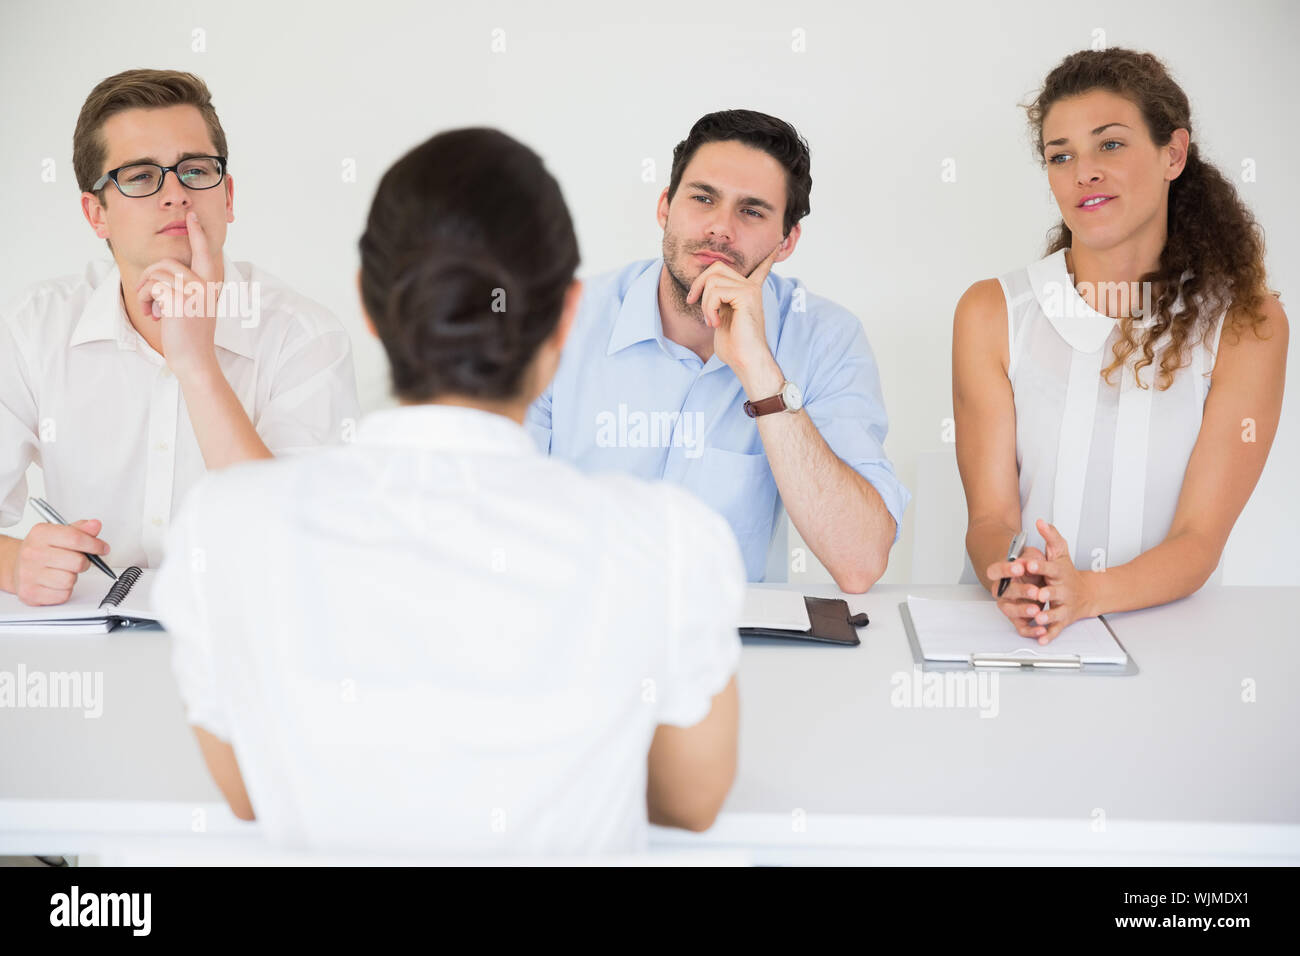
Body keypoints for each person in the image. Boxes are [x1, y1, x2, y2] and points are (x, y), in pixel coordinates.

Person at [152, 128, 747, 857]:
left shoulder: (223, 526)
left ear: (368, 309)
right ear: (568, 316)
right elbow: (690, 804)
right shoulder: (670, 539)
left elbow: (250, 790)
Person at [953, 49, 1287, 643]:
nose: (1083, 171)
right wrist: (1016, 582)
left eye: (1109, 144)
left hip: (1167, 640)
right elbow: (990, 518)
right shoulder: (992, 312)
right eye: (1061, 156)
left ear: (1173, 154)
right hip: (1016, 635)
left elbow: (1199, 539)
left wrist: (1086, 594)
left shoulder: (1245, 323)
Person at [0, 69, 360, 605]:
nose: (176, 194)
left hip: (250, 640)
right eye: (141, 176)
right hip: (93, 649)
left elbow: (296, 549)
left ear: (228, 195)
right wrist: (14, 564)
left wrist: (195, 363)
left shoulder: (305, 337)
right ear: (96, 213)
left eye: (195, 170)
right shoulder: (36, 328)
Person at [525, 110, 908, 591]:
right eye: (703, 198)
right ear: (665, 207)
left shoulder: (826, 336)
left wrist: (761, 373)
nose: (720, 228)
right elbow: (490, 514)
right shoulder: (557, 322)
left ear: (786, 241)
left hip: (730, 643)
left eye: (752, 211)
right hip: (569, 623)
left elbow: (859, 560)